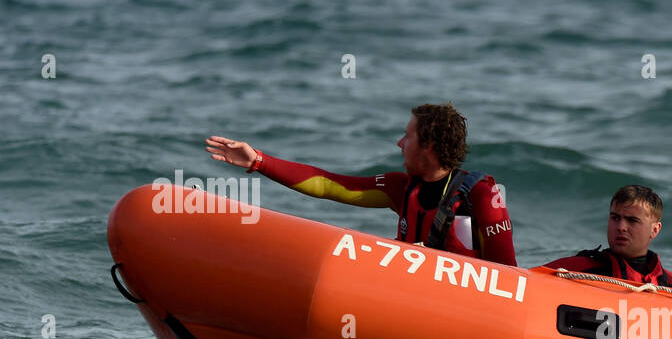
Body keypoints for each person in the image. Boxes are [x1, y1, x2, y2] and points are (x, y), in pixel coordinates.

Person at [205, 103, 516, 265]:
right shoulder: (400, 189)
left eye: (408, 136)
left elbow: (511, 279)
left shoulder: (482, 196)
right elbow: (329, 185)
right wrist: (258, 161)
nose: (399, 142)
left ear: (429, 146)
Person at [542, 185, 672, 287]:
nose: (621, 227)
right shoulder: (574, 270)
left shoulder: (670, 284)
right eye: (615, 218)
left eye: (632, 220)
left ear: (655, 230)